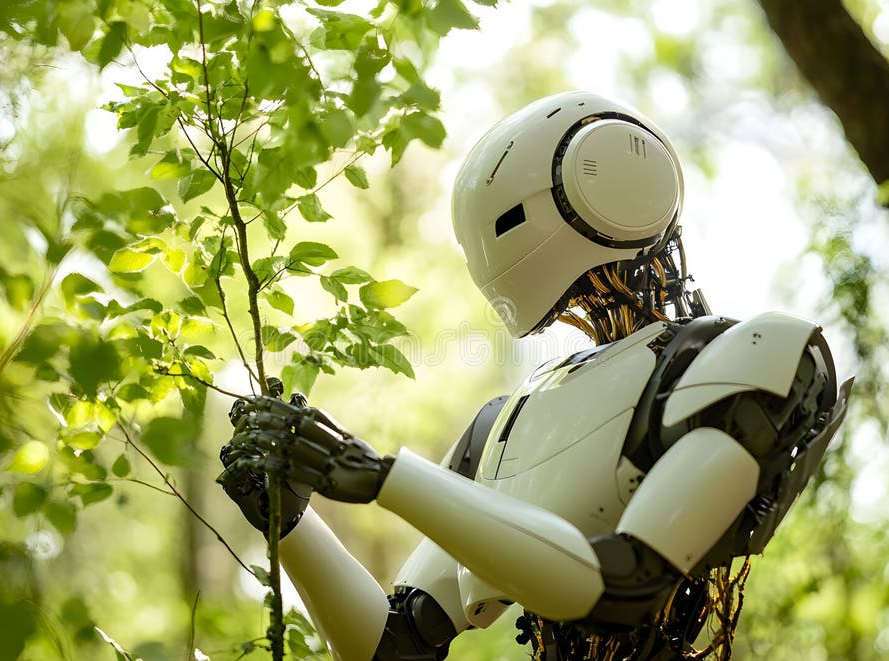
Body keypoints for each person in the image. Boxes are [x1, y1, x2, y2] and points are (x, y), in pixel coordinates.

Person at [217, 91, 852, 661]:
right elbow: (392, 644)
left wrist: (379, 475)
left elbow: (620, 584)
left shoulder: (751, 356)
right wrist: (293, 523)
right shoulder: (505, 422)